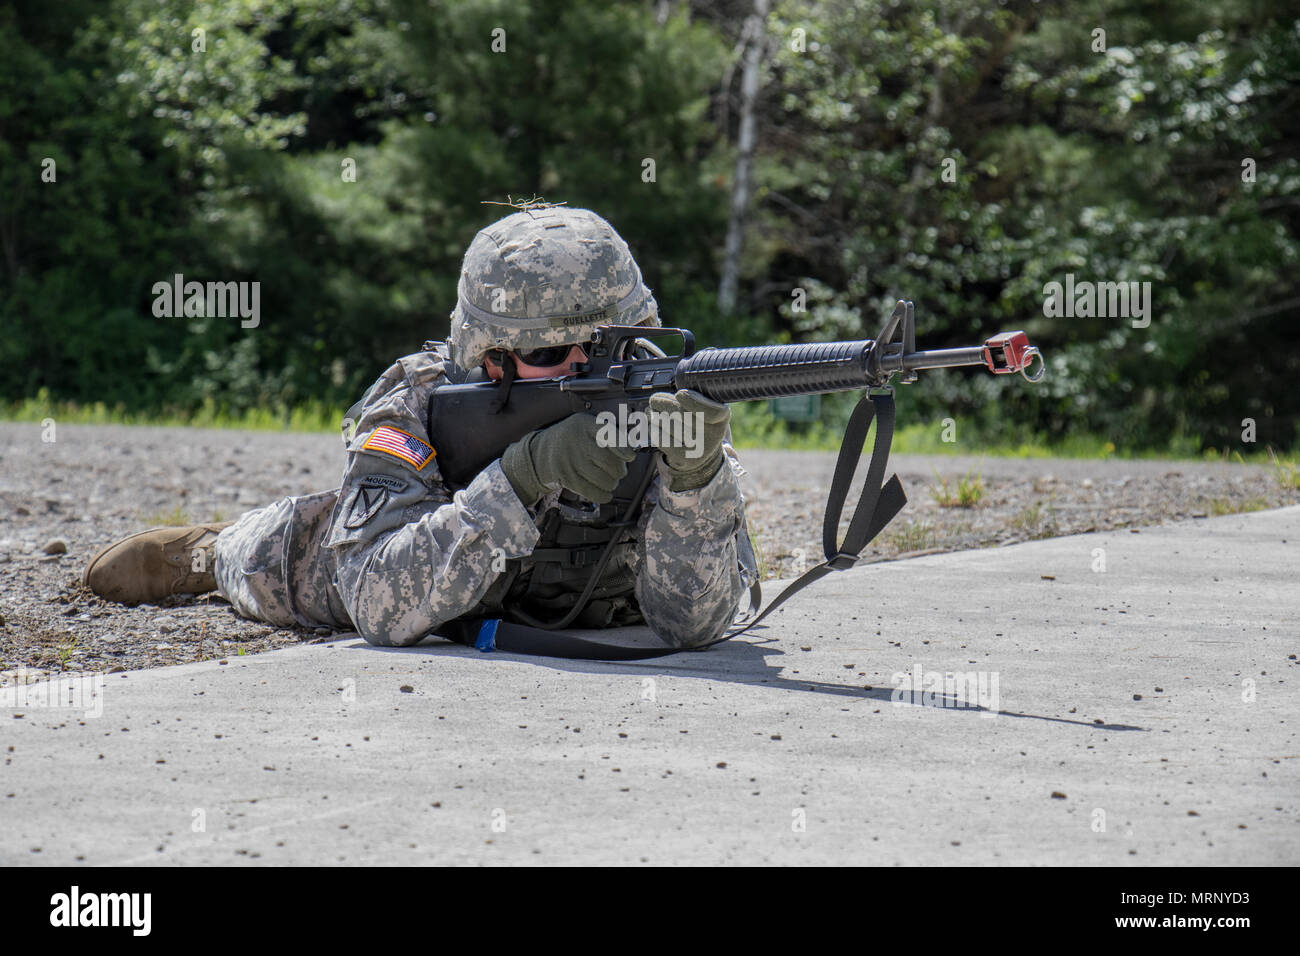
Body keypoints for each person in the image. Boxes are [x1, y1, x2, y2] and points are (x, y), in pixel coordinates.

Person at [84, 205, 759, 651]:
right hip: (374, 568)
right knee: (286, 557)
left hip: (588, 603)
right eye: (552, 354)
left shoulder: (658, 399)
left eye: (614, 345)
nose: (587, 371)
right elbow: (377, 602)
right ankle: (212, 548)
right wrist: (524, 476)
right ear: (487, 358)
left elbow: (692, 624)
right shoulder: (417, 402)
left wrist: (696, 479)